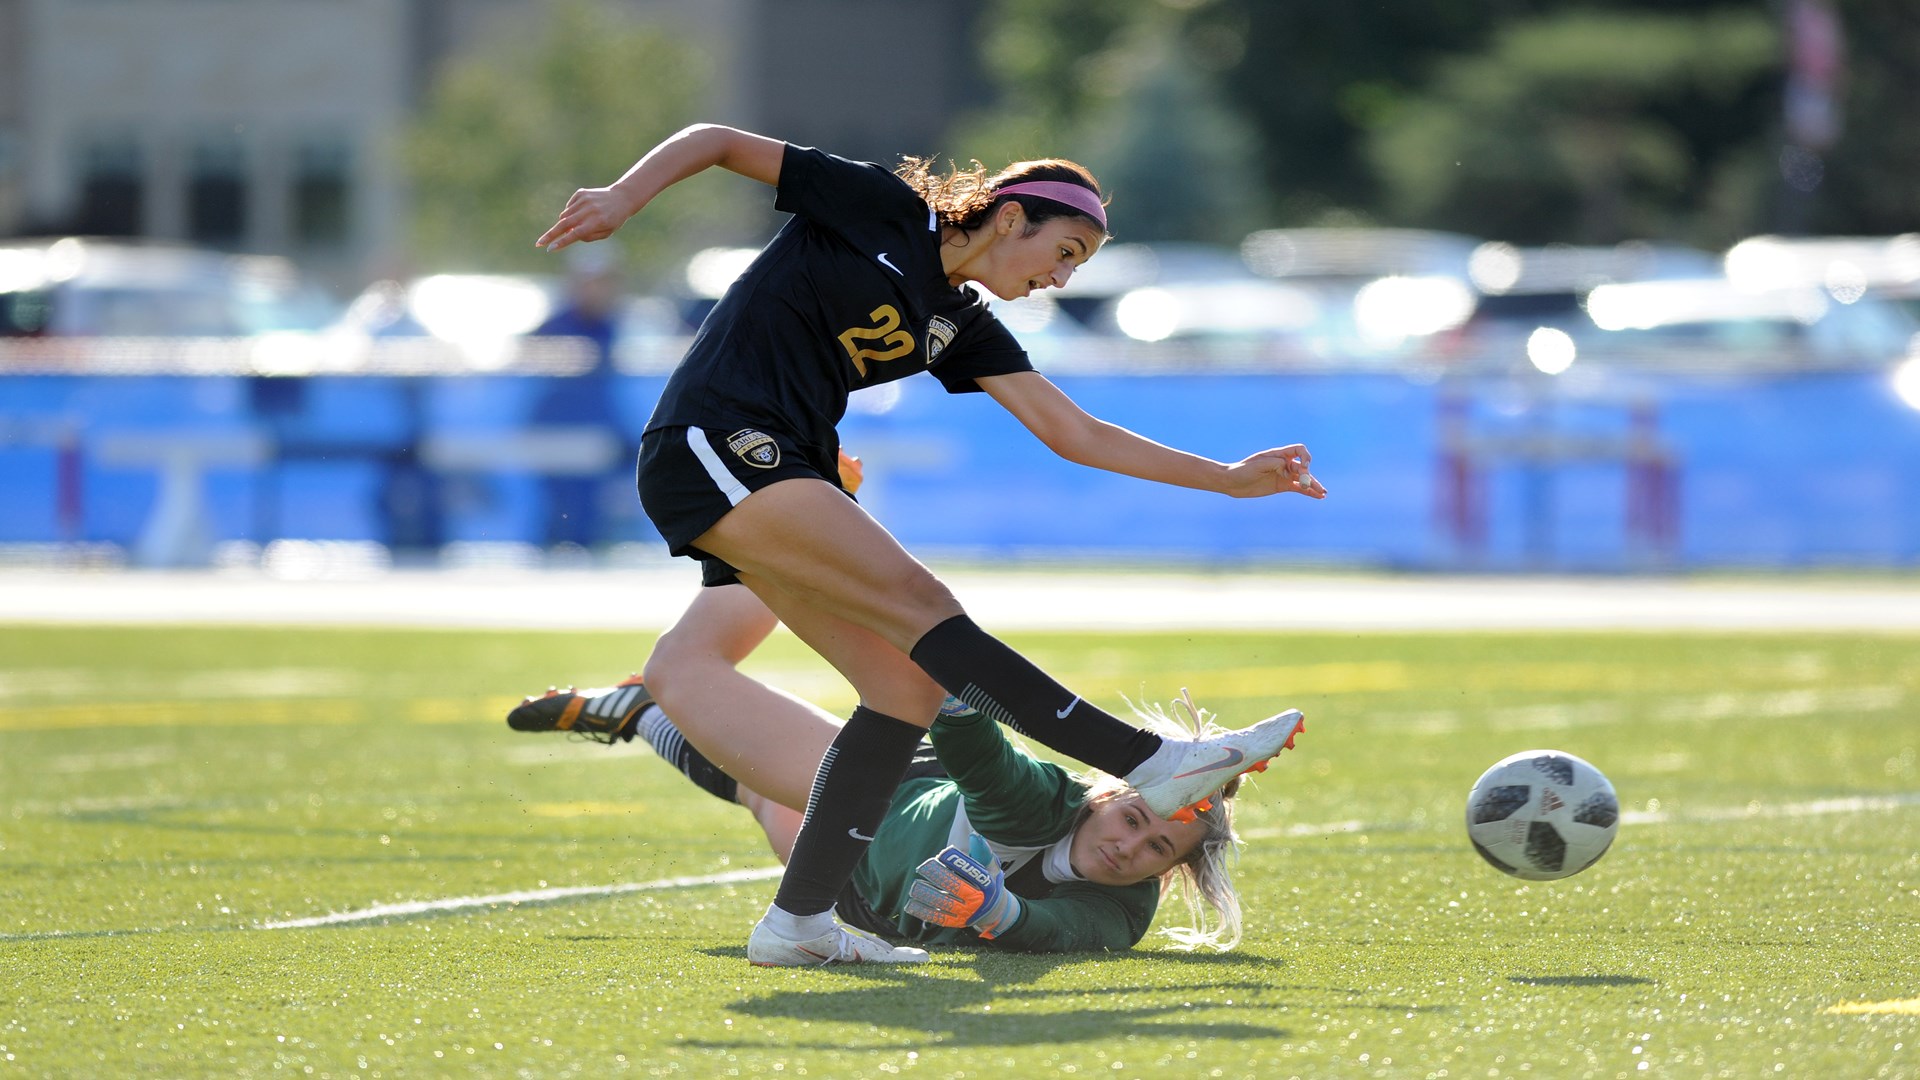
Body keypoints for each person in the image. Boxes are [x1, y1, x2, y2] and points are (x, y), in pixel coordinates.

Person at [535, 123, 1325, 966]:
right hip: (716, 439)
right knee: (927, 613)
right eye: (1063, 251)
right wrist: (623, 196)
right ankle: (1150, 760)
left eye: (1077, 266)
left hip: (785, 459)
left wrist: (1229, 477)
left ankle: (797, 924)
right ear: (1011, 216)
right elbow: (719, 140)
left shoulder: (959, 321)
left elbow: (1075, 432)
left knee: (906, 689)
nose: (1059, 276)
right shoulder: (886, 210)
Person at [507, 581, 1276, 955]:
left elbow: (1063, 931)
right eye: (1135, 820)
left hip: (858, 900)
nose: (1129, 849)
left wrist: (1000, 916)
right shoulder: (1048, 803)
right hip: (893, 781)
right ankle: (767, 535)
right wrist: (949, 694)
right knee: (684, 673)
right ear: (1106, 796)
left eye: (1155, 853)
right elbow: (990, 766)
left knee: (757, 795)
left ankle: (639, 712)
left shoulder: (1127, 910)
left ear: (1170, 872)